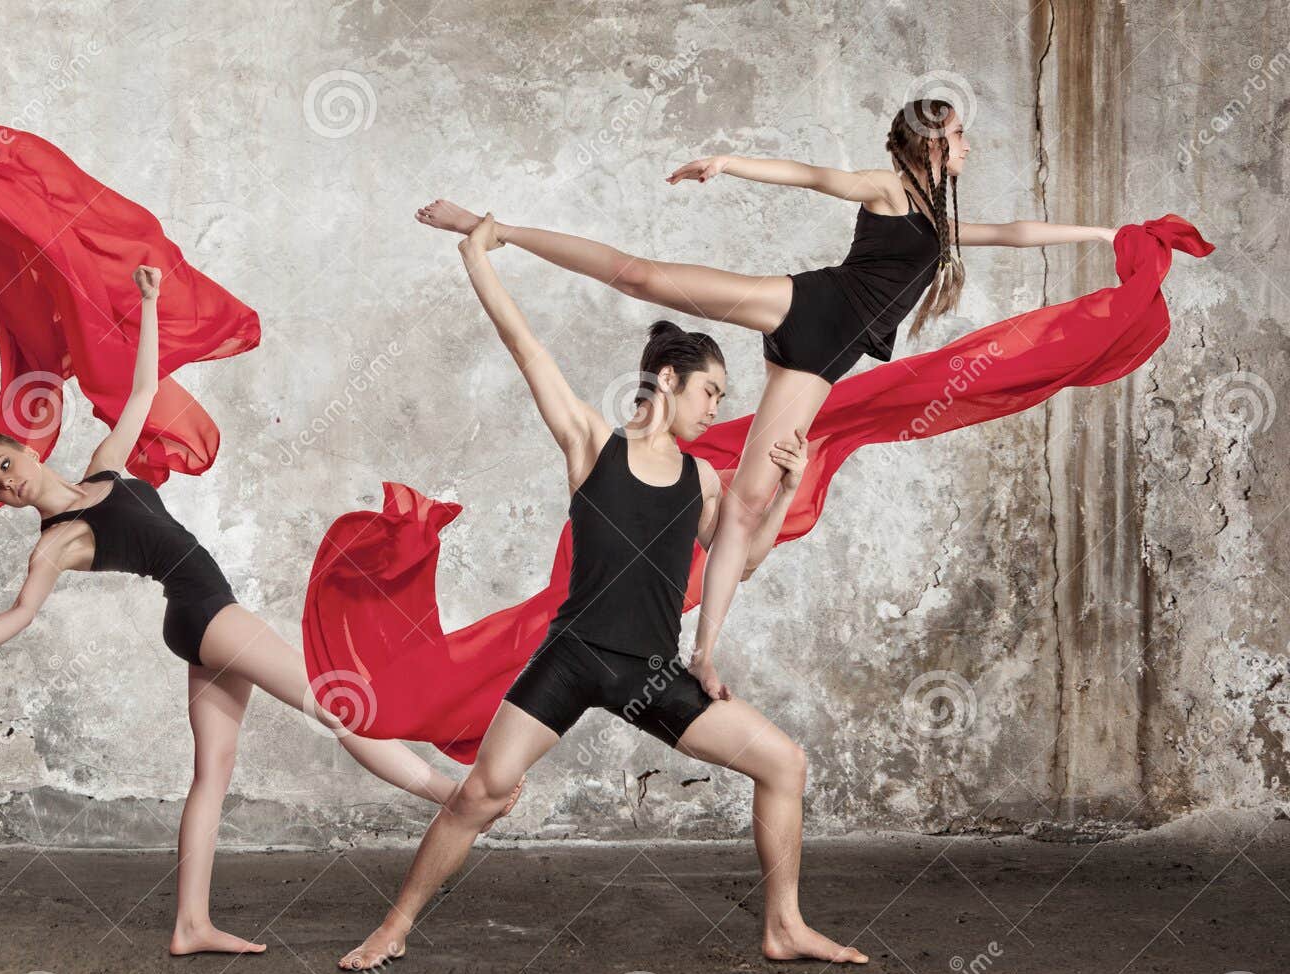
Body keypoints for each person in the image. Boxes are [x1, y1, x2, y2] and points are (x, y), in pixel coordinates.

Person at [413, 97, 1116, 701]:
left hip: (823, 363)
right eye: (961, 135)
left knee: (745, 509)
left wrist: (1114, 235)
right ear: (932, 140)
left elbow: (1018, 234)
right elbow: (813, 177)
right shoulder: (890, 186)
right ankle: (493, 228)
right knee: (643, 277)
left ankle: (704, 652)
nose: (970, 146)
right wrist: (730, 162)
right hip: (806, 309)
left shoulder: (939, 217)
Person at [0, 265, 507, 956]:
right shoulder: (56, 544)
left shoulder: (106, 465)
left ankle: (190, 923)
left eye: (4, 468)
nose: (8, 486)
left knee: (211, 776)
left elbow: (141, 391)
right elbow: (20, 613)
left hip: (199, 619)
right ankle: (451, 795)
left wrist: (150, 303)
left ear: (23, 448)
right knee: (336, 703)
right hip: (203, 616)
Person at [339, 214, 868, 971]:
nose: (718, 409)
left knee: (783, 762)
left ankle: (783, 925)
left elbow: (736, 561)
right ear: (671, 381)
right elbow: (525, 346)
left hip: (651, 672)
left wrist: (785, 491)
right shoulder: (592, 442)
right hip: (575, 654)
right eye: (712, 392)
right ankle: (392, 926)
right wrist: (479, 255)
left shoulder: (702, 479)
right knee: (481, 794)